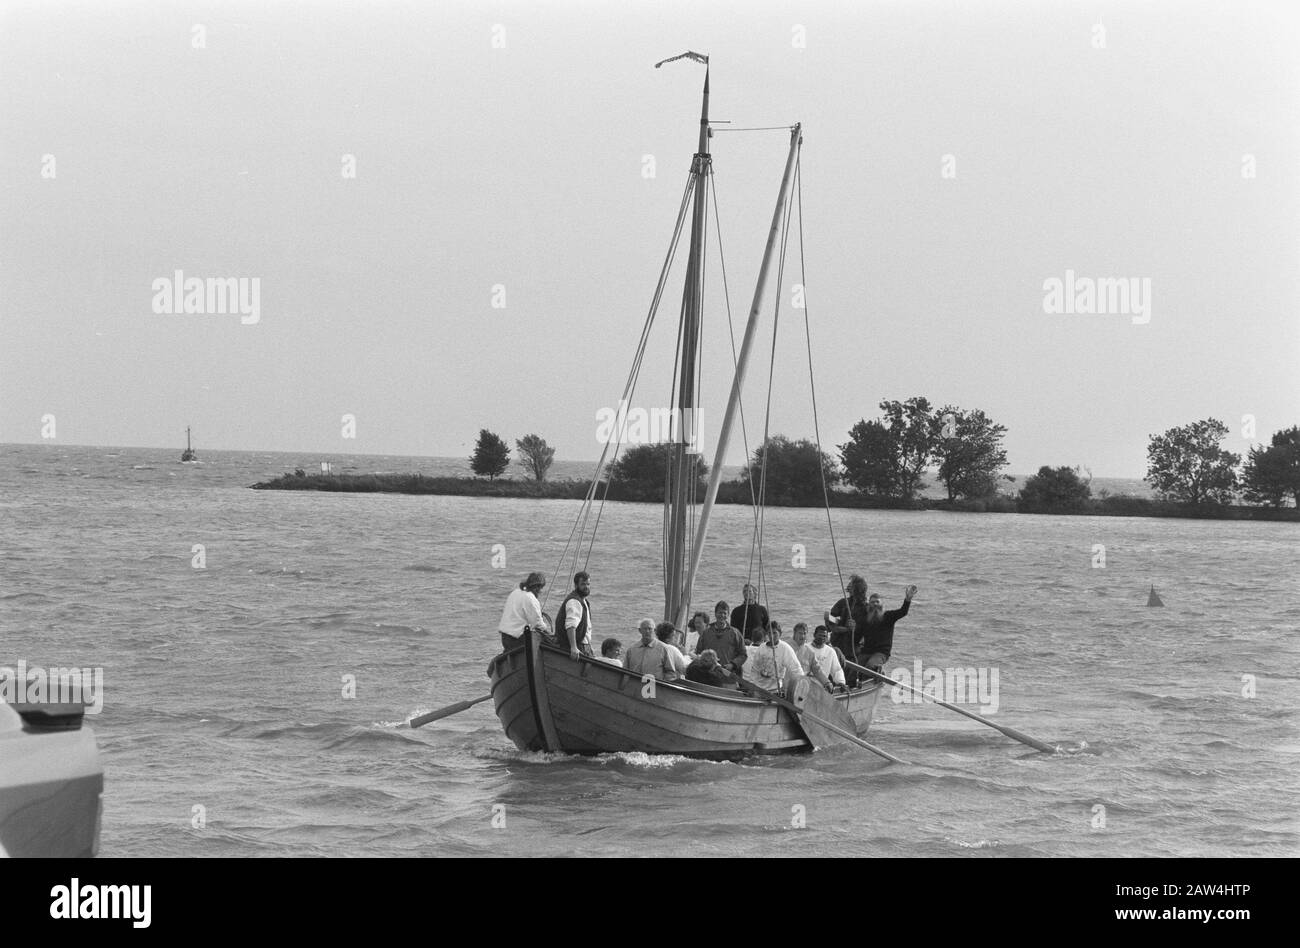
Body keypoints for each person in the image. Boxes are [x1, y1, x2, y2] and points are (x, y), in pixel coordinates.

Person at [853, 587, 918, 675]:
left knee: (870, 666)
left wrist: (908, 599)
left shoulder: (888, 616)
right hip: (866, 651)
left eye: (877, 602)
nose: (875, 604)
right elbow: (857, 636)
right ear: (869, 605)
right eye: (872, 602)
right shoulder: (865, 619)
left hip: (881, 652)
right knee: (853, 668)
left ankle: (874, 675)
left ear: (882, 604)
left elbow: (903, 612)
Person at [496, 572, 549, 652]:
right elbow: (537, 623)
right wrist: (547, 631)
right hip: (518, 640)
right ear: (537, 587)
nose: (540, 591)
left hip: (505, 638)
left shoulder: (515, 592)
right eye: (540, 588)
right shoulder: (530, 598)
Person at [747, 622, 804, 694]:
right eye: (769, 633)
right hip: (759, 688)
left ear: (780, 633)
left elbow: (796, 669)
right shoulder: (761, 648)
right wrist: (751, 686)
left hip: (775, 691)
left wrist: (801, 687)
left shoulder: (785, 648)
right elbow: (754, 669)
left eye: (774, 633)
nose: (772, 636)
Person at [695, 601, 746, 678]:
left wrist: (733, 664)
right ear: (715, 614)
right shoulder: (706, 633)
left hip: (728, 677)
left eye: (725, 613)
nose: (722, 615)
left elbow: (743, 654)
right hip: (708, 675)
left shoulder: (735, 633)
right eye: (720, 613)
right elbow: (699, 652)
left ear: (728, 615)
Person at [553, 571, 595, 660]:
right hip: (577, 647)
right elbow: (571, 626)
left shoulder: (584, 601)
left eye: (588, 584)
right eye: (583, 584)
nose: (586, 587)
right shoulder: (574, 601)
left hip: (584, 646)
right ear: (576, 585)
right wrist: (573, 647)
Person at [797, 625, 846, 692]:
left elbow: (837, 670)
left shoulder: (830, 651)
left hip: (823, 686)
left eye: (824, 636)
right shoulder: (805, 648)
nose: (822, 638)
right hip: (805, 686)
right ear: (814, 635)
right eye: (820, 635)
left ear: (827, 638)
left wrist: (841, 682)